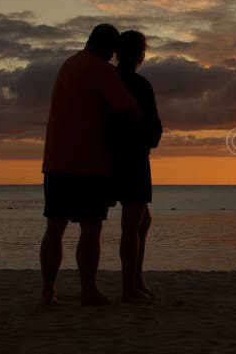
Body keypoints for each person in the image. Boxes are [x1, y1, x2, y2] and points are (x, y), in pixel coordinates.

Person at [40, 24, 141, 306]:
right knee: (91, 227)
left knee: (55, 226)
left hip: (56, 159)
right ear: (110, 49)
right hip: (87, 161)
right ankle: (89, 291)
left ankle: (48, 291)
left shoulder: (69, 64)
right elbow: (129, 111)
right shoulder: (102, 70)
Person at [111, 30, 162, 303]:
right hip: (132, 159)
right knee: (132, 224)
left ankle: (136, 279)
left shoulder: (107, 79)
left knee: (143, 221)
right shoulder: (139, 84)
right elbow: (153, 130)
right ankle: (129, 287)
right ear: (141, 55)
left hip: (109, 157)